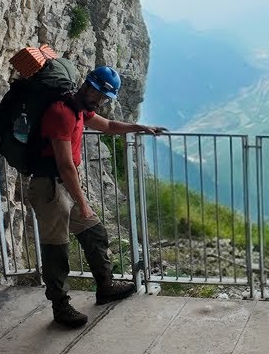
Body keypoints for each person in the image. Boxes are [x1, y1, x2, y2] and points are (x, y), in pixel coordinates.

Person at [26, 65, 165, 328]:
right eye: (99, 94)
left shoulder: (80, 110)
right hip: (49, 188)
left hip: (63, 185)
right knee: (56, 248)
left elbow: (110, 126)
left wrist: (141, 127)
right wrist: (82, 202)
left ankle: (105, 286)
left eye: (104, 97)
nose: (101, 101)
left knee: (95, 232)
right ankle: (60, 306)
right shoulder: (61, 113)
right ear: (87, 85)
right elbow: (65, 165)